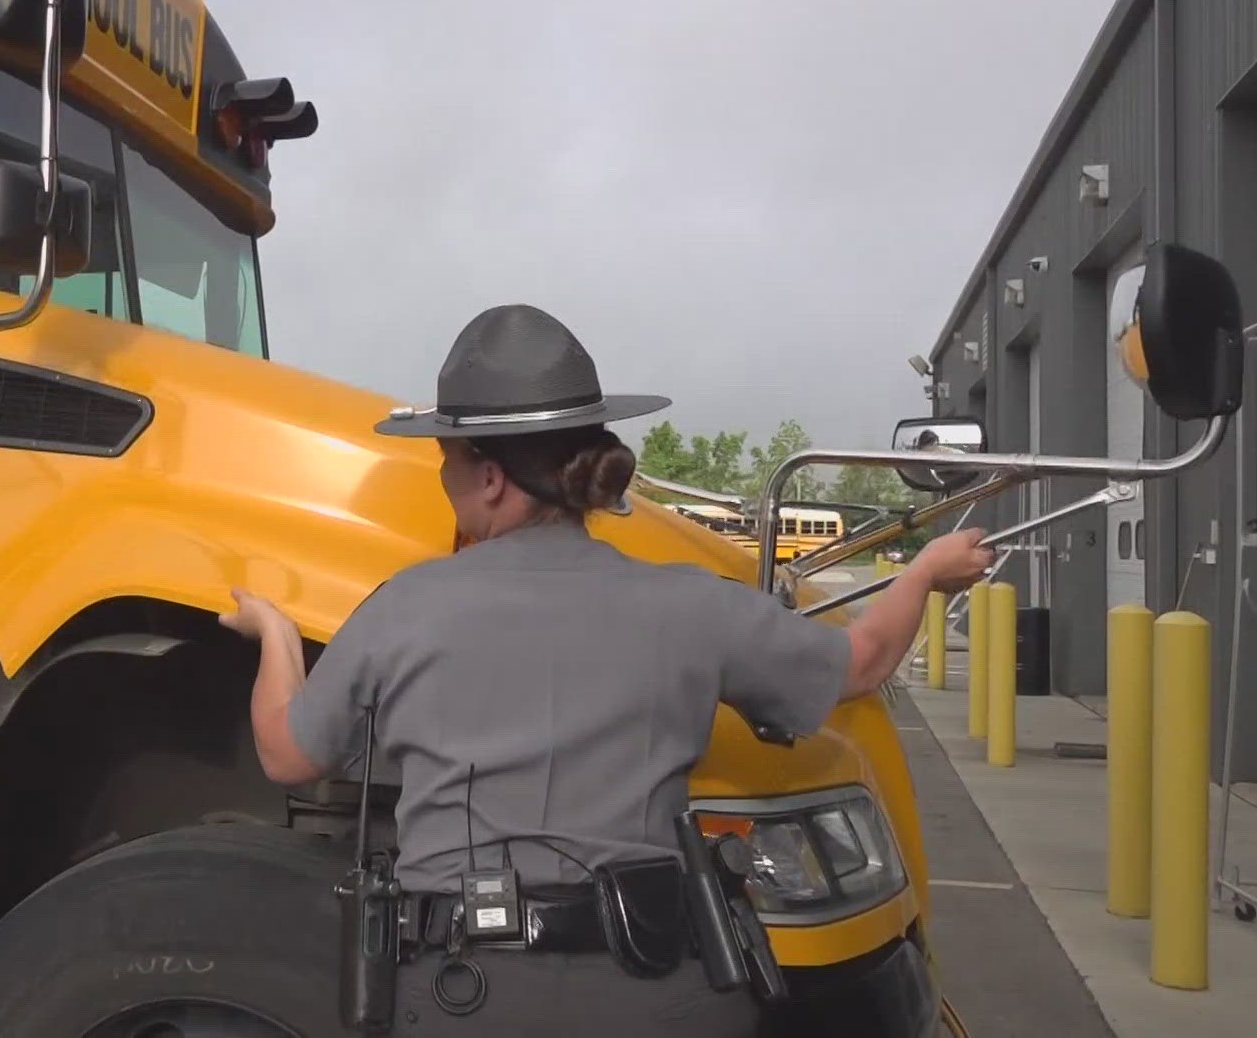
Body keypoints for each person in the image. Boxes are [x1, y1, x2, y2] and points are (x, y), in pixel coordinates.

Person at [220, 304, 993, 1035]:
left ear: (489, 477)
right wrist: (923, 573)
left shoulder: (404, 606)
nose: (444, 479)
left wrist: (278, 638)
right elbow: (862, 662)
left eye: (447, 459)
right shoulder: (688, 603)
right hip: (656, 993)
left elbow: (290, 755)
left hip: (467, 996)